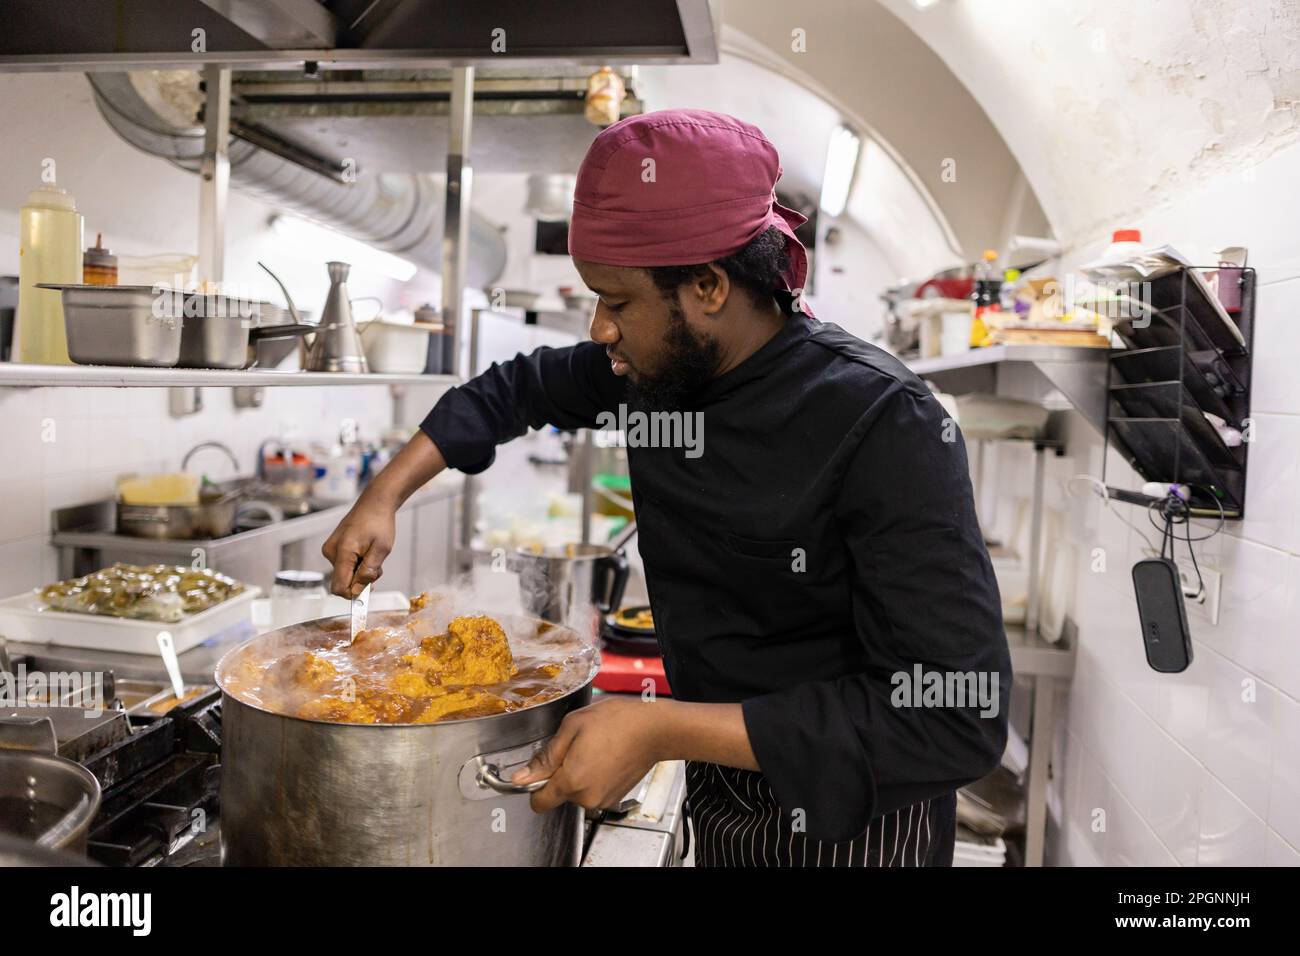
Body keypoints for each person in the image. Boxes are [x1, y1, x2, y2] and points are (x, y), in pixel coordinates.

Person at [323, 109, 1011, 867]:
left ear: (710, 286)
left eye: (617, 303)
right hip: (722, 789)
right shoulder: (658, 369)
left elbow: (955, 716)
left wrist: (659, 729)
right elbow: (513, 390)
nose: (597, 331)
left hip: (861, 824)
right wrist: (383, 495)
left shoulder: (883, 420)